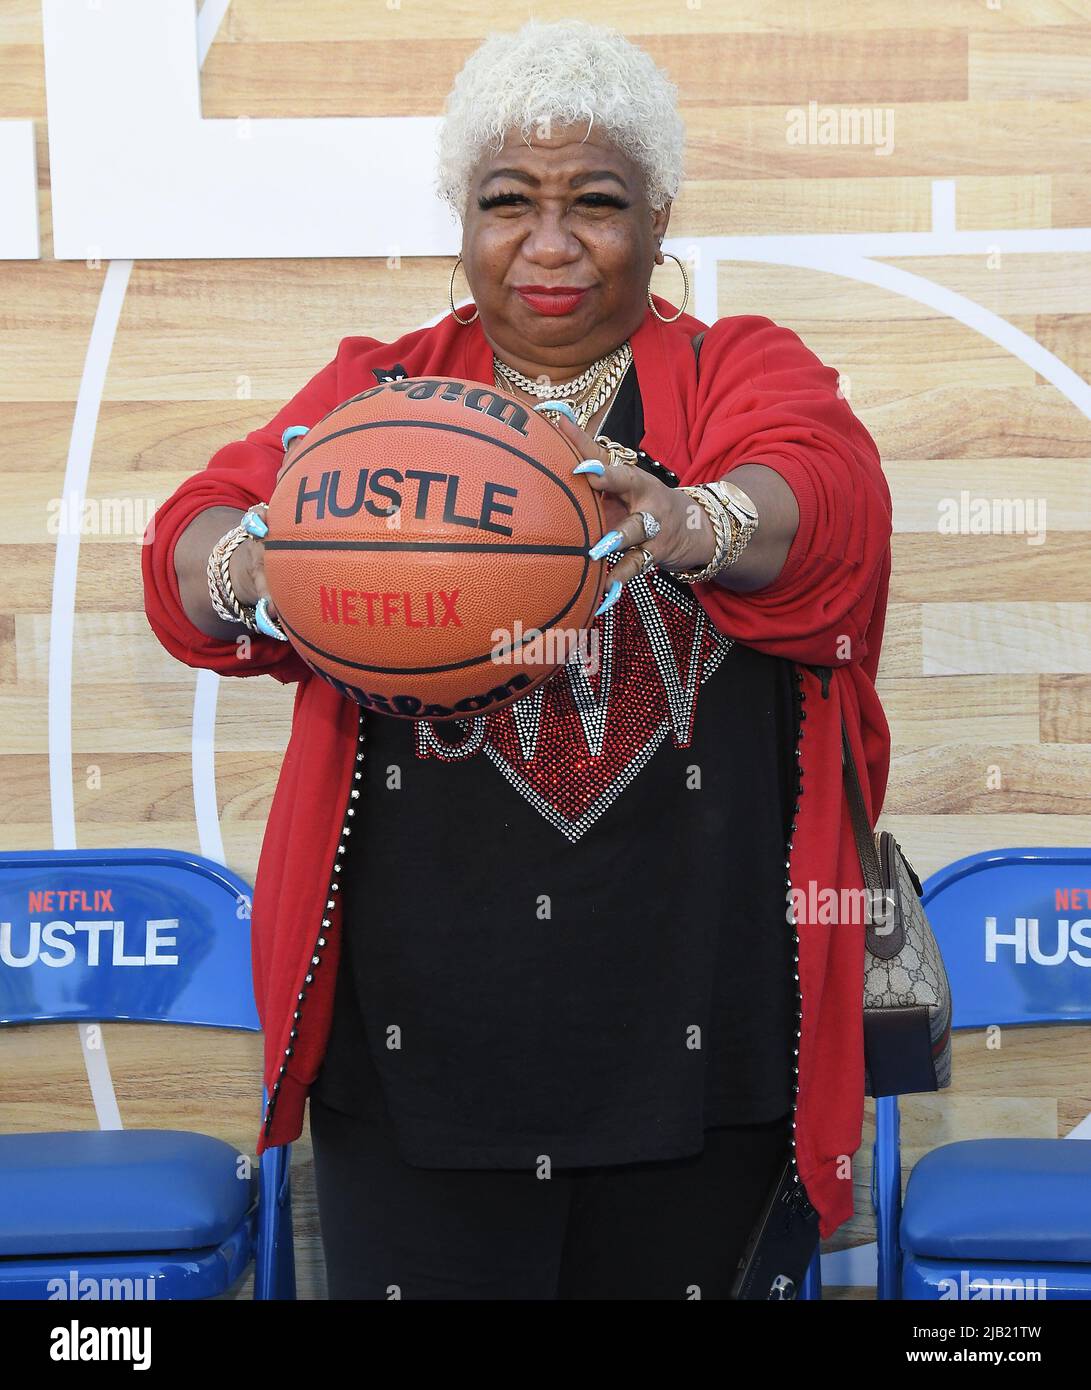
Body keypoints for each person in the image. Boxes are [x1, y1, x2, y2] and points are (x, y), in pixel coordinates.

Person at [142, 18, 893, 1299]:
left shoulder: (735, 371)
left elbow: (821, 499)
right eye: (507, 203)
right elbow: (189, 539)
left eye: (595, 203)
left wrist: (689, 519)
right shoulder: (378, 392)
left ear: (658, 218)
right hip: (419, 1038)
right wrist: (260, 567)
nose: (549, 244)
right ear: (460, 218)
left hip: (696, 1027)